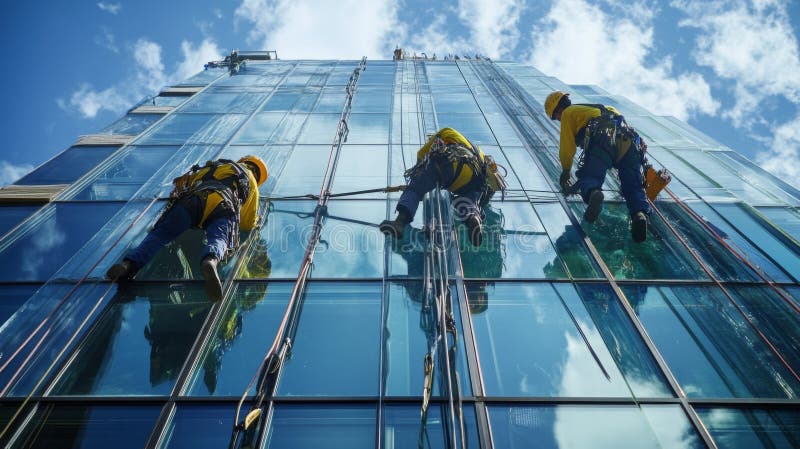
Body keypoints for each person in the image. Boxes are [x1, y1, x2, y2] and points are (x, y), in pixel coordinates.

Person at [106, 155, 268, 301]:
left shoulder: (215, 165)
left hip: (192, 200)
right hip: (222, 204)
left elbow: (183, 183)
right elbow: (247, 223)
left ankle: (128, 265)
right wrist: (256, 223)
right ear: (257, 175)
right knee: (219, 238)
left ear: (243, 160)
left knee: (160, 235)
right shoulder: (249, 179)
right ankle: (210, 261)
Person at [544, 91, 650, 242]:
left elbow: (567, 146)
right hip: (629, 144)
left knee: (591, 175)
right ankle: (639, 214)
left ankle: (594, 193)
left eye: (556, 118)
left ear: (558, 110)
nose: (560, 120)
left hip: (603, 139)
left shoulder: (569, 113)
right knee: (633, 185)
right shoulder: (605, 108)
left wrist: (566, 170)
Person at [379, 127, 506, 246]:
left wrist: (418, 180)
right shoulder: (476, 149)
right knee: (468, 202)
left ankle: (400, 222)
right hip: (473, 180)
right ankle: (473, 217)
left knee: (415, 188)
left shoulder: (446, 131)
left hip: (452, 164)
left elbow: (421, 156)